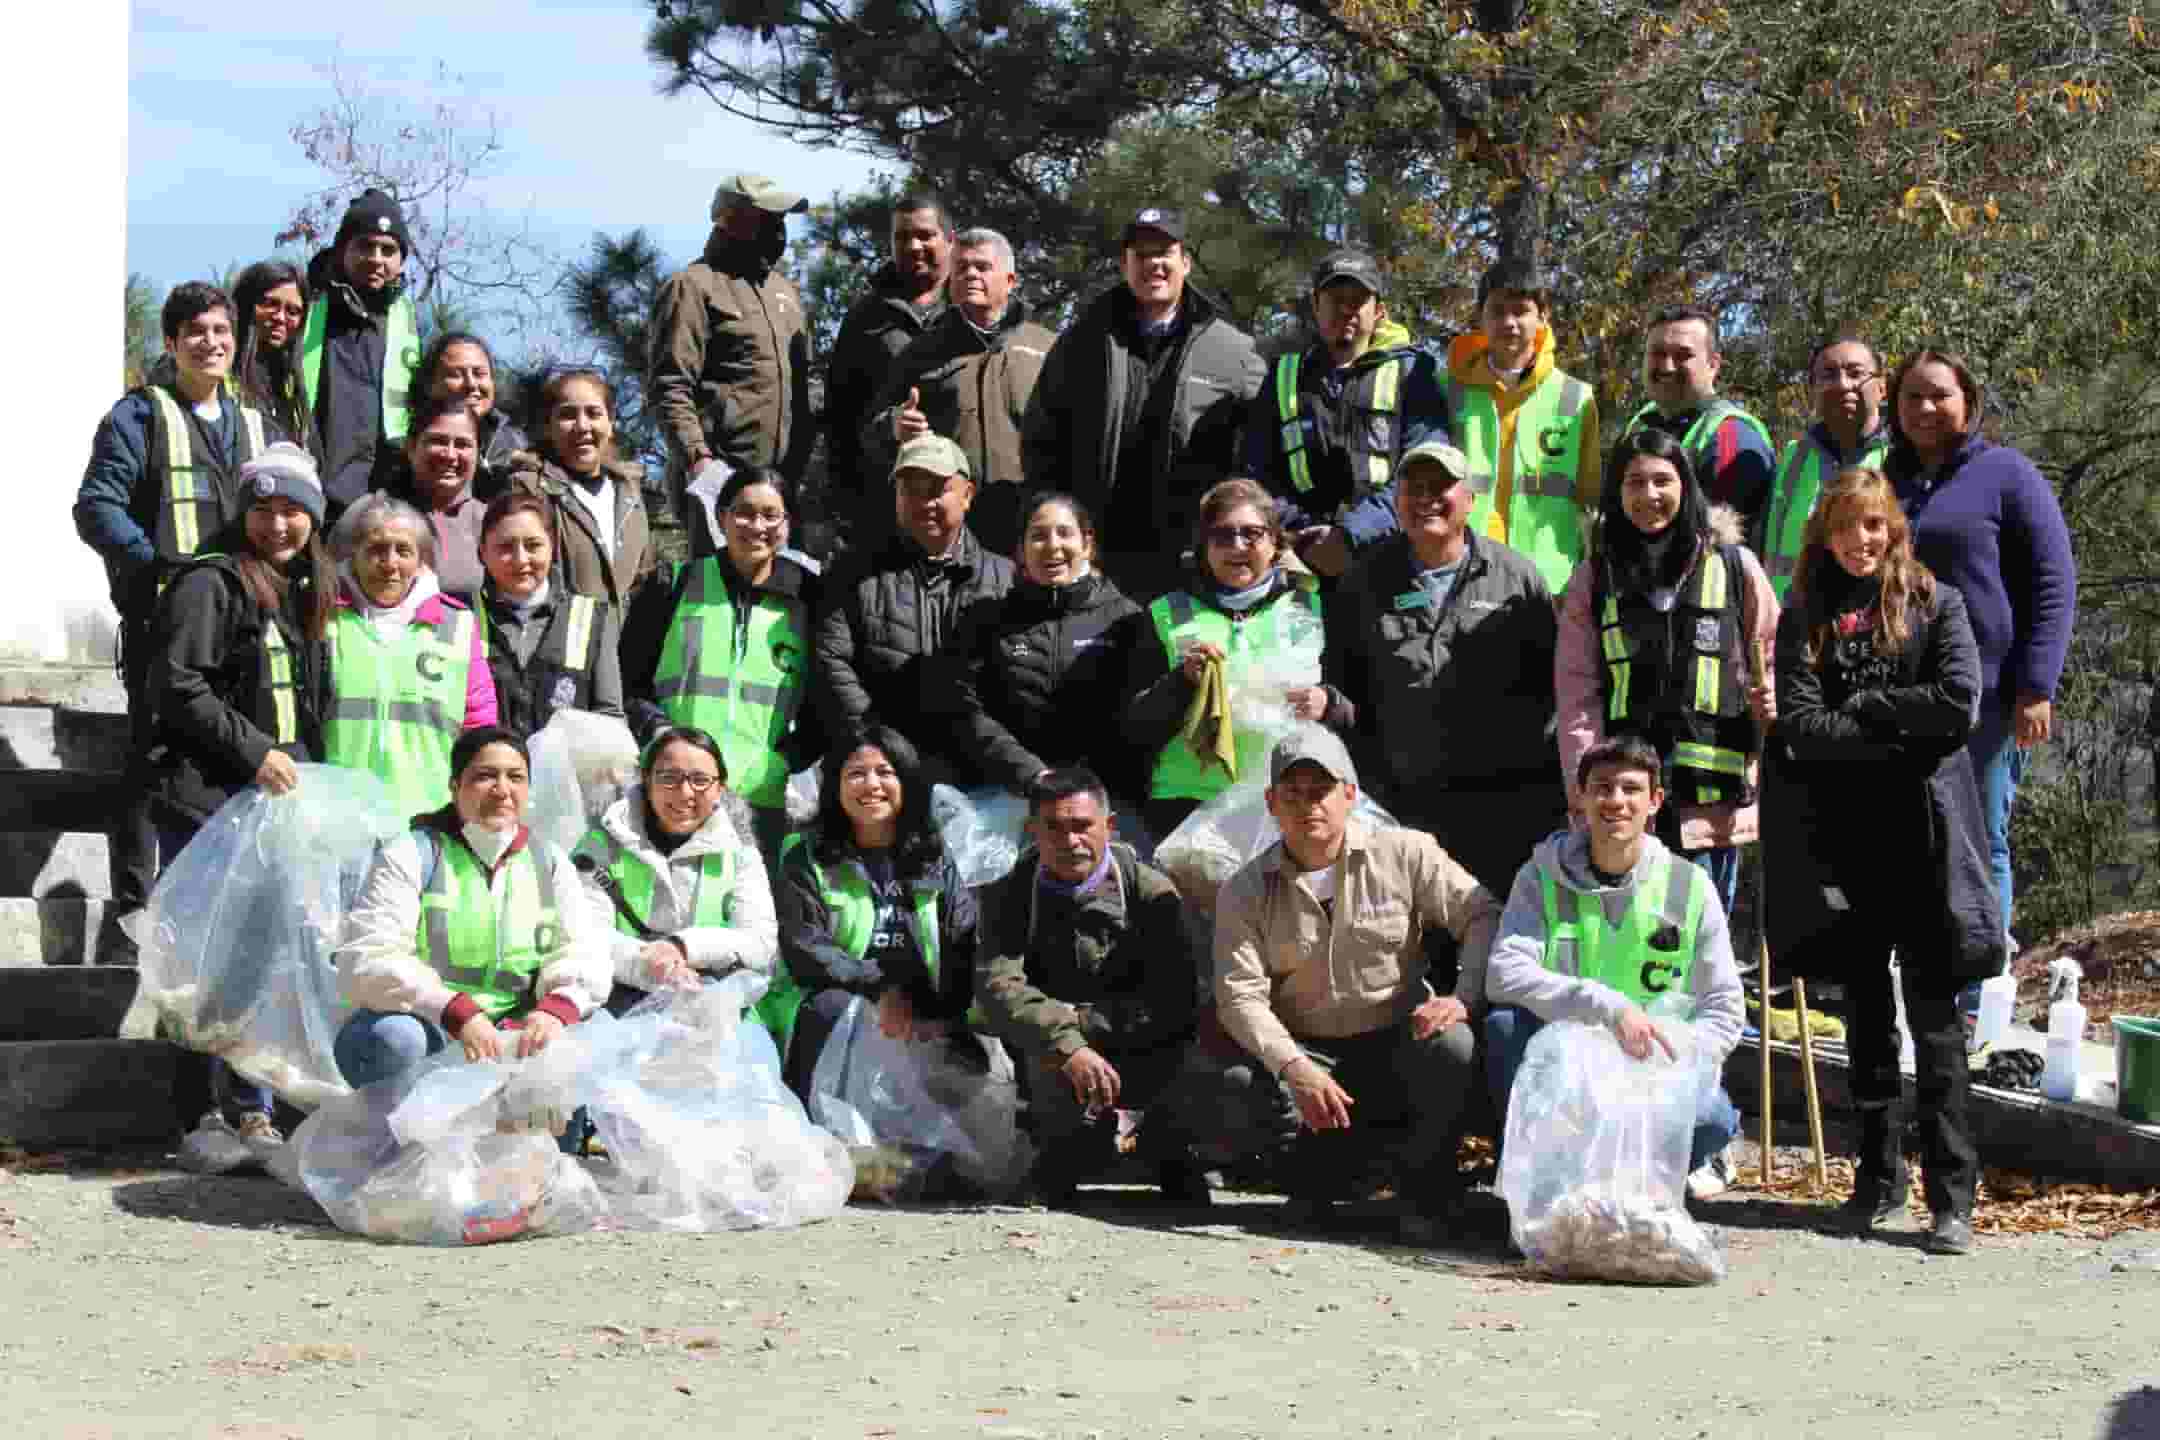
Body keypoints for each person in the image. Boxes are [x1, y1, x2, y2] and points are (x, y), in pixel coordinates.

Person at [1764, 467, 2002, 1254]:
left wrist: (1864, 709)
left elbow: (1957, 706)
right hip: (1844, 841)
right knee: (1865, 1022)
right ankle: (1875, 1183)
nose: (1860, 542)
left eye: (1874, 526)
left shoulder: (1937, 604)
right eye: (1845, 527)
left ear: (1894, 528)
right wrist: (1891, 738)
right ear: (1824, 534)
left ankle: (1952, 1199)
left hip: (1927, 838)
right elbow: (1799, 724)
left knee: (1936, 1028)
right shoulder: (1806, 614)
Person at [1196, 730, 1496, 1240]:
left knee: (1453, 1045)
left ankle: (1423, 1191)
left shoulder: (1406, 853)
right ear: (1270, 803)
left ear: (1350, 795)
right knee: (1236, 1085)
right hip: (1310, 1052)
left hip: (1397, 1040)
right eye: (1291, 794)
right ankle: (1309, 1184)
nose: (1307, 805)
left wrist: (1462, 997)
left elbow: (1483, 913)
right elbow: (1239, 996)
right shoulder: (1243, 890)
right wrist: (1294, 1067)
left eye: (1321, 791)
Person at [143, 444, 334, 1142]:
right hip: (205, 799)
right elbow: (178, 683)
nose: (279, 524)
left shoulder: (304, 589)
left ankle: (253, 1107)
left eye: (294, 510)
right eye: (265, 508)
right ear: (242, 512)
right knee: (201, 962)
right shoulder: (210, 583)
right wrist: (257, 753)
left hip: (271, 804)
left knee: (259, 960)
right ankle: (199, 1113)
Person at [75, 280, 277, 938]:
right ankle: (134, 911)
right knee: (154, 762)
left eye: (221, 331)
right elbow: (97, 505)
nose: (210, 343)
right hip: (164, 622)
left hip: (245, 628)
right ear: (172, 343)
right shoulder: (139, 416)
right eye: (196, 332)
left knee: (232, 761)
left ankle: (219, 919)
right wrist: (154, 569)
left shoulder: (256, 423)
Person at [1482, 735, 1746, 1202]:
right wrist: (1606, 1007)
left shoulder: (1690, 887)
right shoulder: (1540, 876)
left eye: (1631, 789)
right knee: (1505, 1028)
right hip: (1567, 1064)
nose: (1616, 801)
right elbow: (1504, 972)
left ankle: (1637, 1186)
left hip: (1652, 1064)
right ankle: (1532, 1190)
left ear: (1655, 802)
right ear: (1581, 798)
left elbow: (1724, 1005)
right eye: (1602, 788)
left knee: (1715, 1120)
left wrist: (1677, 1054)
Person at [1883, 349, 2076, 941]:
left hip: (1987, 700)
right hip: (1898, 695)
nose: (1925, 407)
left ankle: (1978, 985)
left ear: (1968, 401)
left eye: (1940, 393)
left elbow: (2053, 581)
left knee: (1980, 837)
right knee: (1908, 838)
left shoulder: (2007, 474)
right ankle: (1921, 985)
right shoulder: (1886, 479)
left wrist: (2036, 686)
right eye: (1912, 395)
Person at [1321, 441, 1563, 898]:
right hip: (1400, 806)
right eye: (1414, 488)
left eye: (1441, 487)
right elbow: (1344, 684)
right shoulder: (1363, 581)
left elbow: (1550, 692)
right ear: (1396, 502)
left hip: (1500, 811)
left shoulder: (1516, 578)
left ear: (1470, 500)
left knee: (1489, 938)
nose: (1427, 498)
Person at [1553, 428, 1776, 911]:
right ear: (1617, 492)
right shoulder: (1594, 577)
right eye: (1634, 483)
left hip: (1711, 804)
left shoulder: (1736, 566)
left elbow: (1771, 658)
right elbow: (1577, 693)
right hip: (1625, 806)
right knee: (1631, 944)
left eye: (1662, 481)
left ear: (1686, 487)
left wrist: (1769, 714)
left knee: (1700, 944)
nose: (1648, 496)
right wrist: (1582, 788)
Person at [334, 727, 611, 1107]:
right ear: (454, 786)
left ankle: (534, 1150)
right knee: (393, 1040)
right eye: (484, 776)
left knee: (587, 1034)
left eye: (515, 777)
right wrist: (456, 1012)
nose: (502, 790)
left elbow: (582, 952)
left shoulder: (549, 862)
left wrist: (553, 1011)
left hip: (513, 1033)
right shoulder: (413, 853)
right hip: (434, 1028)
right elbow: (367, 959)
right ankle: (395, 1148)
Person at [974, 769, 1208, 1206]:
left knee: (1203, 1059)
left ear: (1109, 826)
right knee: (1042, 1054)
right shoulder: (1009, 893)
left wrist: (1082, 1023)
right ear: (1033, 831)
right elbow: (999, 984)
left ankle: (1168, 1148)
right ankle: (1062, 1155)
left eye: (1082, 826)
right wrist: (1069, 1043)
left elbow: (1176, 997)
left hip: (1142, 1037)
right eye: (1053, 827)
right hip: (1058, 1049)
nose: (1069, 840)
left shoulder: (1151, 892)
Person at [1022, 205, 1264, 599]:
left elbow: (1263, 450)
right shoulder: (1080, 343)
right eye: (1141, 255)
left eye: (1164, 253)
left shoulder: (1233, 351)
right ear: (1124, 264)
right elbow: (1040, 444)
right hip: (1098, 562)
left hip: (1195, 565)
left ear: (1185, 262)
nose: (1154, 264)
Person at [773, 728, 978, 1099]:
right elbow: (805, 948)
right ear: (835, 785)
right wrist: (879, 991)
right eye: (855, 774)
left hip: (919, 1009)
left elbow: (961, 938)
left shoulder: (932, 857)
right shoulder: (805, 857)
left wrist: (941, 1013)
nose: (871, 785)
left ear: (907, 781)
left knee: (969, 1059)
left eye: (885, 772)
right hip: (841, 1009)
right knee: (829, 1009)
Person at [1122, 479, 1329, 842]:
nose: (1237, 547)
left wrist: (1329, 702)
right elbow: (1133, 727)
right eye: (1222, 535)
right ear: (1203, 546)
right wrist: (1181, 683)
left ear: (1275, 541)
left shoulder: (1310, 605)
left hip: (1289, 801)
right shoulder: (1166, 612)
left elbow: (1361, 706)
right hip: (1189, 808)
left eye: (1251, 534)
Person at [639, 467, 823, 866]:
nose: (757, 526)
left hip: (763, 798)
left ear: (787, 524)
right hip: (675, 791)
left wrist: (783, 763)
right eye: (742, 512)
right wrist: (660, 735)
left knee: (753, 917)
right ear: (721, 517)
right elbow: (630, 683)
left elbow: (827, 700)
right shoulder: (676, 583)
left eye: (771, 515)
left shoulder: (810, 597)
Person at [815, 435, 1014, 785]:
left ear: (967, 495)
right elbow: (832, 659)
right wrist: (884, 747)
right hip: (883, 774)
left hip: (985, 774)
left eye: (937, 489)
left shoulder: (1007, 579)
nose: (924, 502)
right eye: (911, 490)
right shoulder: (854, 572)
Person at [1242, 249, 1448, 579]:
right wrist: (1306, 534)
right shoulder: (1282, 375)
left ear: (1379, 311)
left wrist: (1351, 535)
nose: (1345, 309)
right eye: (1335, 298)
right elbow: (1255, 473)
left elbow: (1426, 467)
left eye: (1357, 300)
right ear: (1315, 305)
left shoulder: (1414, 374)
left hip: (1389, 560)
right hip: (1298, 560)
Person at [936, 492, 1146, 801]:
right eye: (1038, 535)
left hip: (1102, 800)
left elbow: (1136, 715)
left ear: (1087, 543)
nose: (1052, 546)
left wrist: (1084, 785)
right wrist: (1031, 774)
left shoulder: (1126, 618)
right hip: (1010, 794)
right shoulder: (986, 620)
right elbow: (965, 709)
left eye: (1064, 533)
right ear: (1020, 550)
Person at [649, 173, 813, 555]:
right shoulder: (693, 286)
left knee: (780, 608)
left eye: (782, 221)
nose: (779, 231)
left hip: (781, 489)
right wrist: (699, 461)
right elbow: (669, 384)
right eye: (769, 219)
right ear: (733, 220)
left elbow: (805, 388)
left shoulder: (784, 293)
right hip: (720, 484)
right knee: (714, 602)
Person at [870, 227, 1056, 556]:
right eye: (961, 268)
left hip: (1032, 529)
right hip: (950, 531)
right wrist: (894, 426)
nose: (970, 274)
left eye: (982, 267)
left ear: (1010, 281)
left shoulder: (1048, 348)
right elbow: (869, 434)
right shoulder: (919, 354)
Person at [574, 725, 777, 1013]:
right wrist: (654, 967)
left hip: (713, 999)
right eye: (669, 778)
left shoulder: (740, 851)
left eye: (700, 780)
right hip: (618, 996)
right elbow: (586, 932)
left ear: (720, 788)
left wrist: (682, 946)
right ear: (646, 779)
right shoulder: (599, 844)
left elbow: (760, 941)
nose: (684, 793)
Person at [323, 492, 498, 818]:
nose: (390, 563)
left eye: (403, 551)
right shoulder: (325, 620)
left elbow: (480, 727)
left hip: (429, 818)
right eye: (376, 550)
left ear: (420, 561)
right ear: (353, 557)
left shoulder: (456, 624)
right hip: (339, 820)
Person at [1446, 259, 1602, 596]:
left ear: (1542, 317)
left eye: (1521, 311)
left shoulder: (1576, 398)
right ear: (1481, 317)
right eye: (1498, 311)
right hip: (1463, 571)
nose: (1509, 322)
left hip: (1549, 581)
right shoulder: (1449, 388)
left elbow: (1590, 498)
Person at [826, 191, 951, 541]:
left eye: (925, 235)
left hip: (968, 500)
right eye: (902, 237)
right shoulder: (864, 317)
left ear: (950, 240)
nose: (913, 246)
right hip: (883, 503)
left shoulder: (975, 306)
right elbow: (839, 418)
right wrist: (844, 504)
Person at [300, 188, 422, 513]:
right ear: (342, 250)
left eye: (388, 249)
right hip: (313, 503)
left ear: (401, 259)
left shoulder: (409, 324)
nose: (376, 259)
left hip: (389, 507)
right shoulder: (305, 309)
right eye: (365, 246)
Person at [505, 369, 658, 613]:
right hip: (556, 646)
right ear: (548, 426)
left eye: (594, 413)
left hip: (627, 646)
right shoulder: (529, 489)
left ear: (610, 423)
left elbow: (644, 579)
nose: (582, 426)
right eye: (567, 414)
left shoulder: (631, 493)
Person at [472, 492, 624, 738]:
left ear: (552, 547)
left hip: (568, 773)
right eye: (505, 547)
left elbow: (610, 717)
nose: (521, 560)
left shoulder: (595, 618)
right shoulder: (462, 618)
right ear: (483, 552)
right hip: (492, 773)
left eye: (533, 545)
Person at [1619, 306, 1775, 540]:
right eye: (1657, 353)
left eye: (1683, 355)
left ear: (1713, 365)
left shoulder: (1732, 435)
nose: (1667, 366)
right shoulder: (1640, 424)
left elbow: (1719, 541)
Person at [1760, 335, 1888, 599]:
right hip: (1792, 622)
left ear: (1882, 387)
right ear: (1812, 389)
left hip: (1877, 625)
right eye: (1828, 375)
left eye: (1856, 373)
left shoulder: (1901, 458)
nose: (1843, 385)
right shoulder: (1794, 457)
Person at [390, 395, 487, 597]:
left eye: (463, 444)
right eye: (438, 440)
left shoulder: (491, 522)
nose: (450, 454)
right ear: (410, 446)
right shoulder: (371, 515)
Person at [414, 331, 528, 498]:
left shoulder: (518, 444)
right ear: (429, 385)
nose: (471, 383)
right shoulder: (412, 446)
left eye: (479, 373)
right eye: (456, 374)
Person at [230, 260, 311, 442]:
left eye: (293, 311)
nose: (281, 318)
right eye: (270, 304)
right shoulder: (214, 370)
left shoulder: (292, 387)